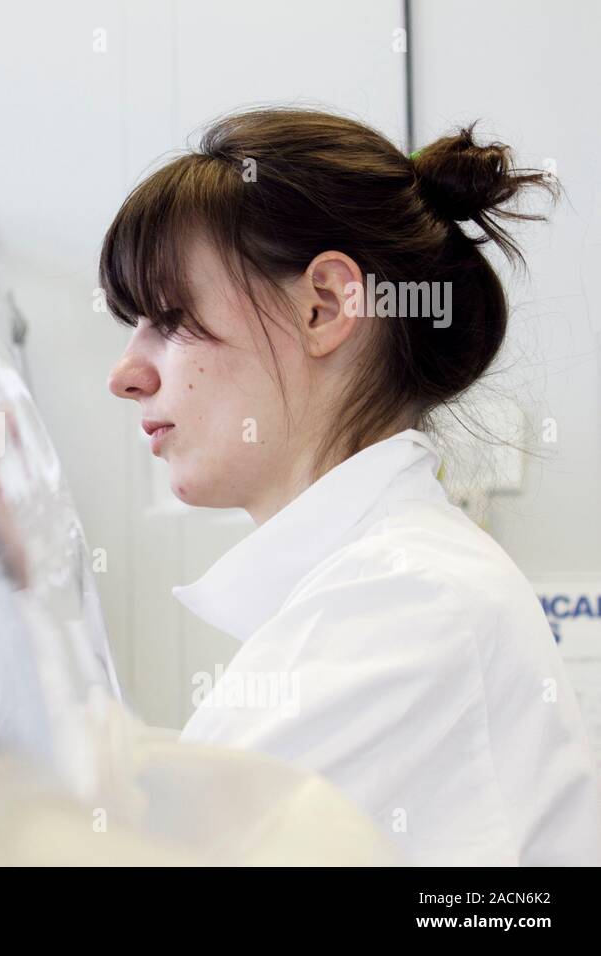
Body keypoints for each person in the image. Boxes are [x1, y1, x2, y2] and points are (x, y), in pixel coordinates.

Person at [102, 108, 601, 865]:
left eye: (169, 318)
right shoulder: (377, 587)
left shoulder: (404, 601)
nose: (125, 374)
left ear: (327, 305)